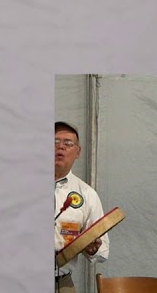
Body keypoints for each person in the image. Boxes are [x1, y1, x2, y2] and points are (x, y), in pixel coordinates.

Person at [53, 121, 109, 293]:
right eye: (54, 141)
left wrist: (93, 248)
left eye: (68, 143)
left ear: (78, 152)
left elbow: (103, 250)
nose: (61, 147)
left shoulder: (86, 194)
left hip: (61, 283)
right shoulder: (20, 185)